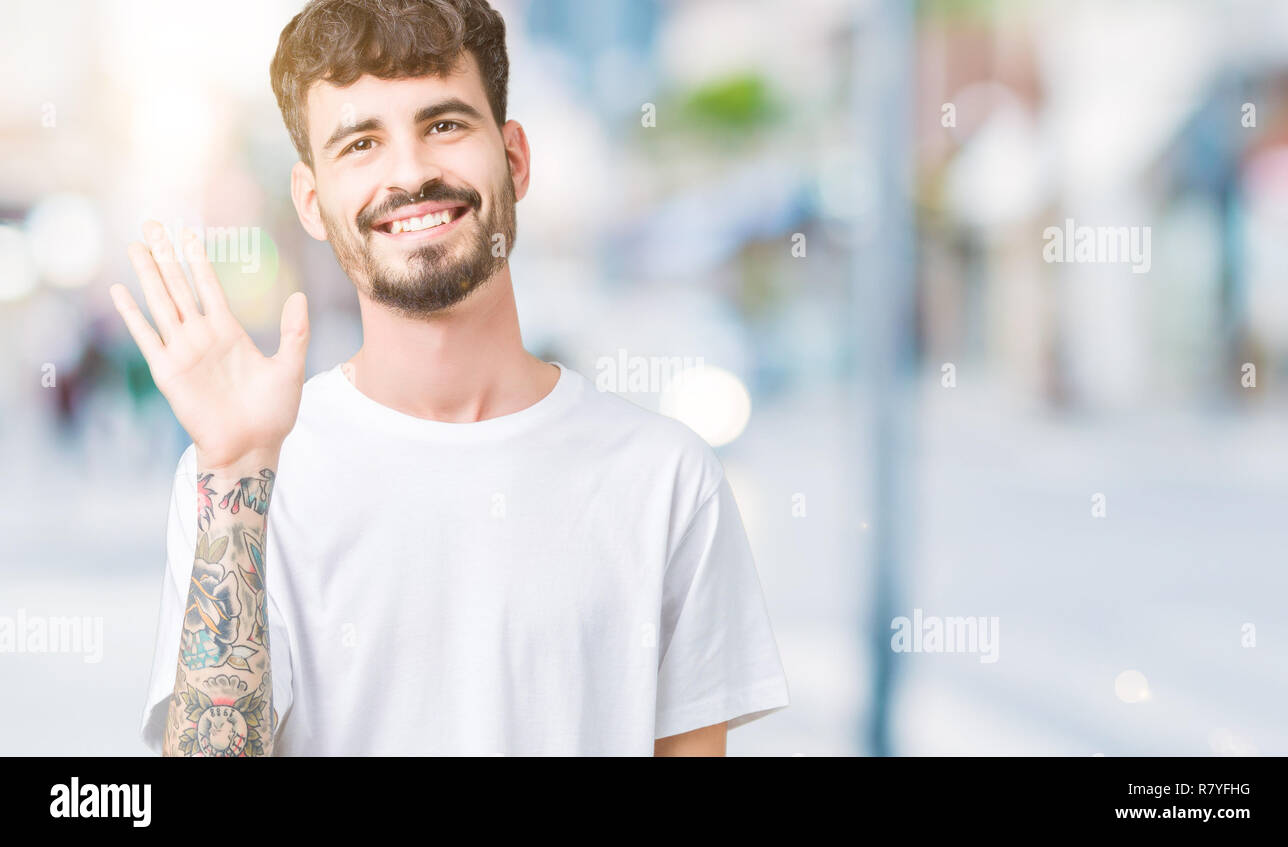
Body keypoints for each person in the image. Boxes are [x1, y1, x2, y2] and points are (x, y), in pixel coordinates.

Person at [111, 0, 789, 756]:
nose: (410, 173)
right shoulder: (245, 478)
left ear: (516, 159)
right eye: (361, 143)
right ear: (312, 201)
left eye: (444, 125)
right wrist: (236, 472)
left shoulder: (667, 479)